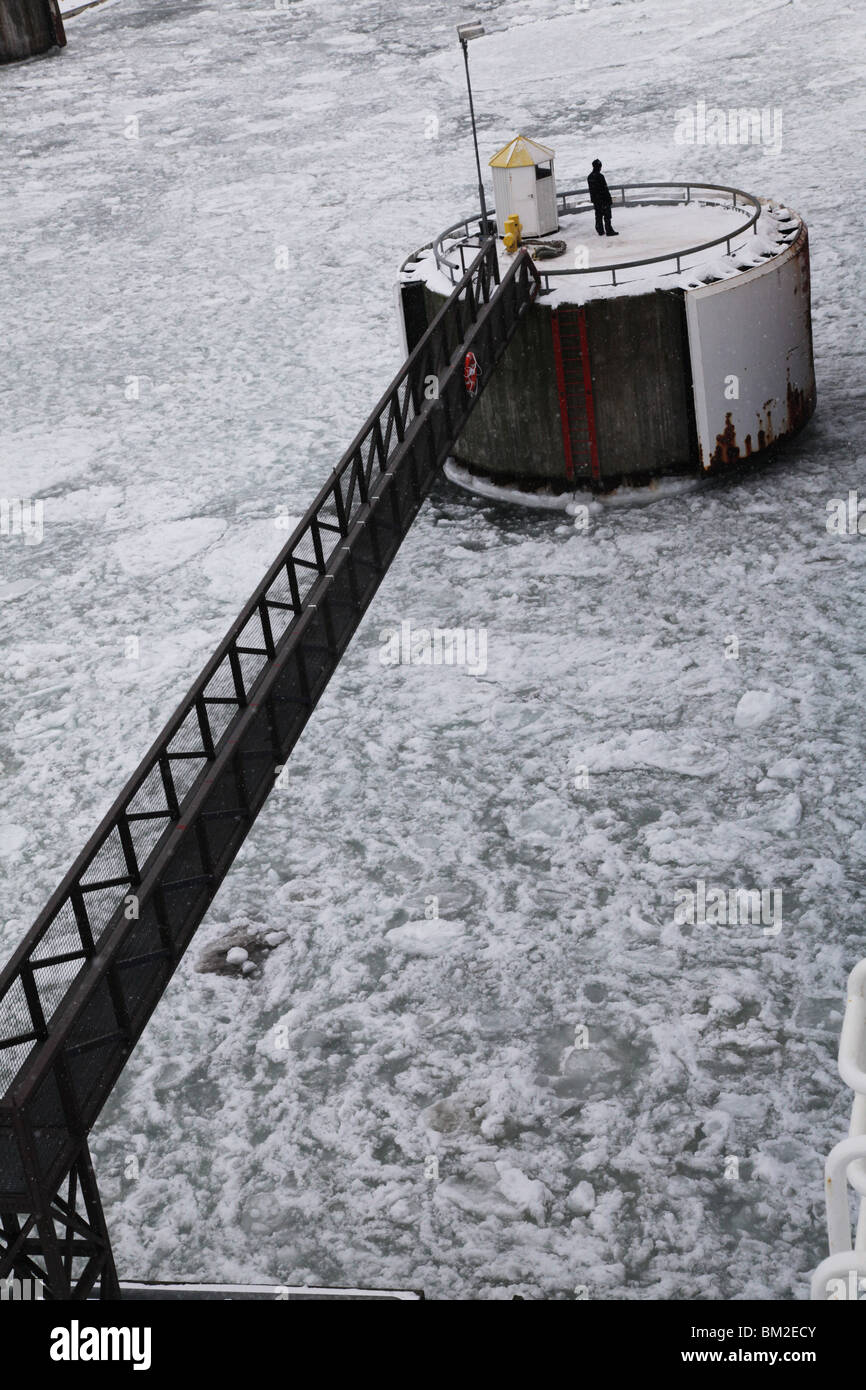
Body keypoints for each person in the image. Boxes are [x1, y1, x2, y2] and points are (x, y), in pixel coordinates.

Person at [587, 159, 618, 237]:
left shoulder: (589, 177)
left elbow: (592, 190)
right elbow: (605, 189)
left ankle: (600, 230)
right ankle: (609, 230)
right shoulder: (600, 176)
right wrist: (609, 199)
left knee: (598, 215)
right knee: (607, 215)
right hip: (603, 200)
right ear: (599, 167)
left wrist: (594, 199)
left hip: (596, 200)